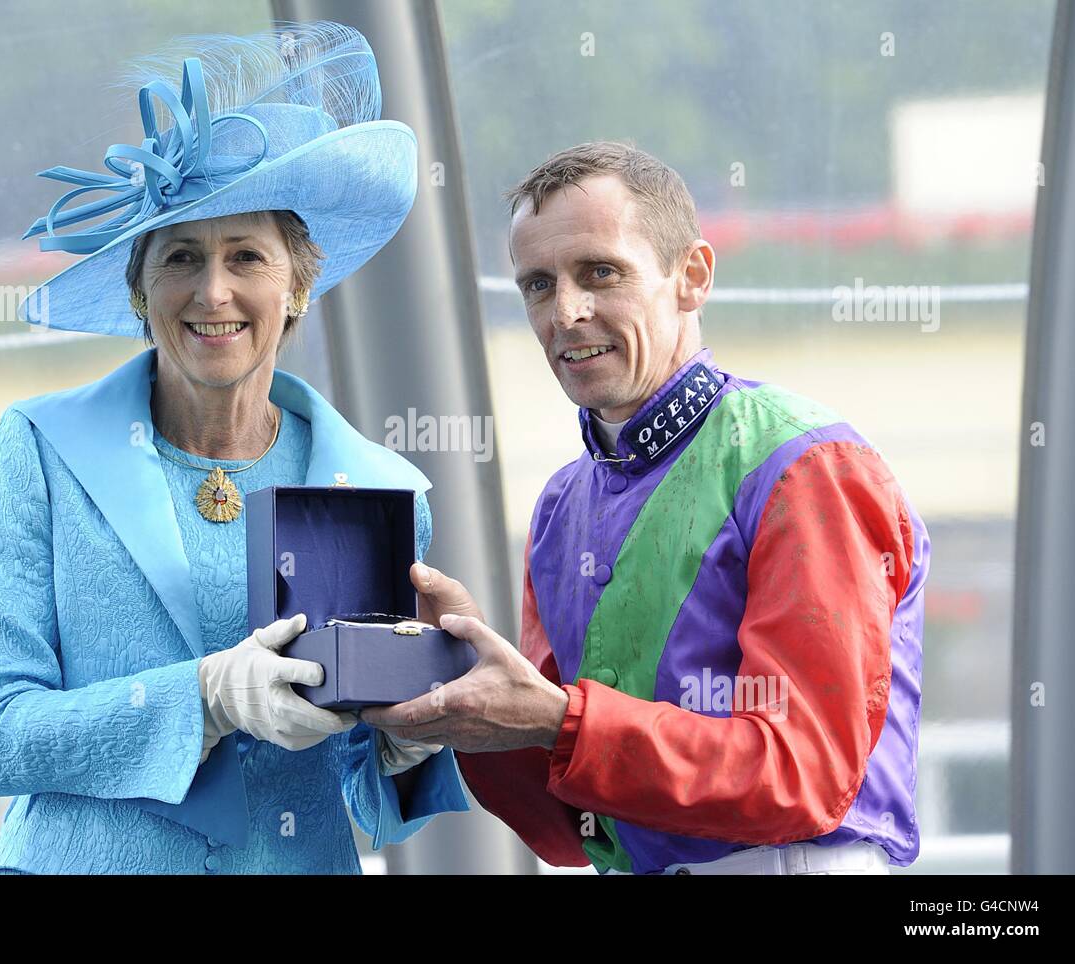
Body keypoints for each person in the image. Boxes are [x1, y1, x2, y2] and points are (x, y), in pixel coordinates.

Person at [0, 22, 466, 875]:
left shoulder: (379, 488)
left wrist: (415, 727)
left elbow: (364, 787)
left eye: (247, 257)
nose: (214, 290)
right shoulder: (38, 453)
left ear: (299, 284)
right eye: (182, 256)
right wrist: (206, 698)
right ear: (139, 287)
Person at [362, 141, 930, 875]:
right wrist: (466, 689)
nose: (565, 312)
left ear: (691, 276)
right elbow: (573, 833)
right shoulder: (563, 505)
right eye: (537, 285)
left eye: (600, 272)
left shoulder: (807, 465)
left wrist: (555, 719)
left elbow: (803, 777)